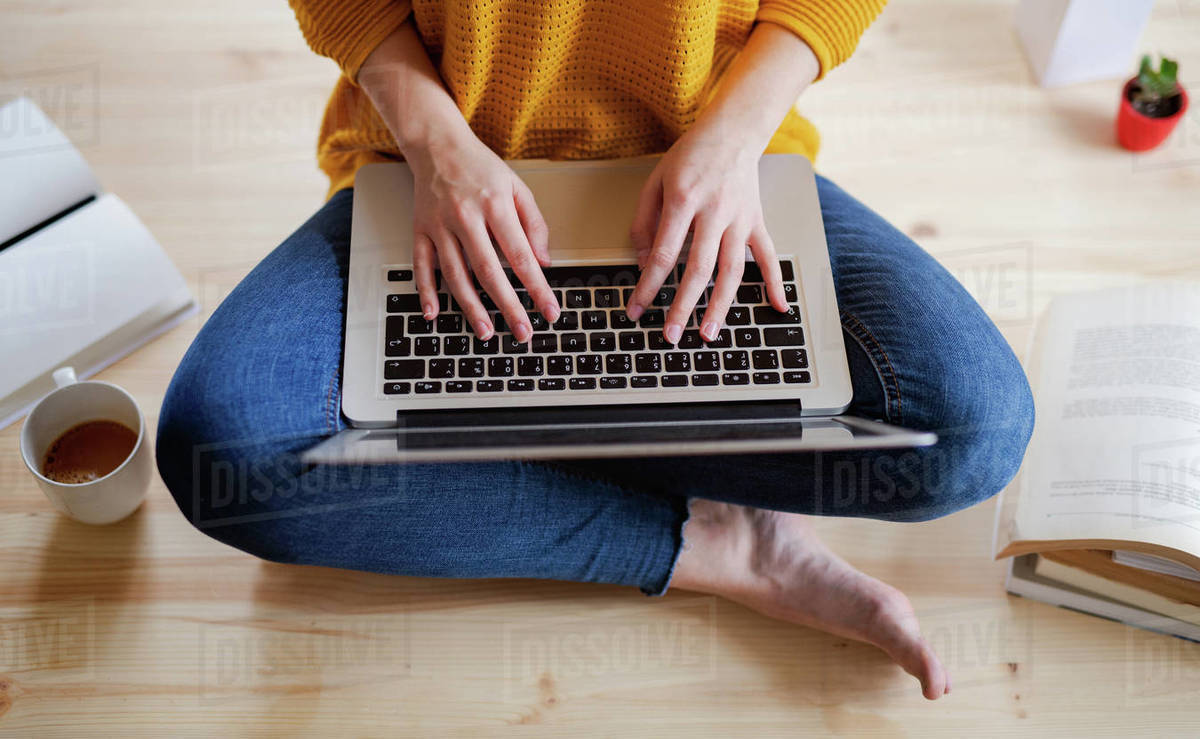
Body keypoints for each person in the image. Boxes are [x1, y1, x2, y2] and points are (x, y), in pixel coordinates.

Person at [157, 0, 1034, 700]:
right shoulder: (435, 153)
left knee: (972, 433)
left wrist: (732, 141)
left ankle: (520, 442)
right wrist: (436, 145)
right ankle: (707, 539)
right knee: (222, 455)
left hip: (711, 160)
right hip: (440, 164)